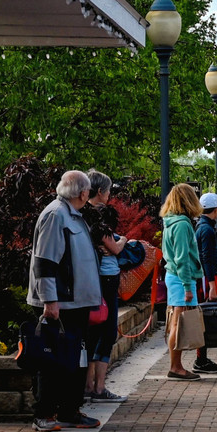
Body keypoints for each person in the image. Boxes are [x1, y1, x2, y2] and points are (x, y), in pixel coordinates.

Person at [25, 171, 103, 431]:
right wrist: (49, 301)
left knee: (75, 360)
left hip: (75, 303)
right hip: (60, 304)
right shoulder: (55, 215)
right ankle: (44, 413)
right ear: (82, 193)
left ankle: (70, 410)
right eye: (88, 191)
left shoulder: (71, 215)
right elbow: (44, 262)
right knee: (52, 361)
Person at [84, 170, 127, 403]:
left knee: (93, 332)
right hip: (106, 278)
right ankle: (98, 387)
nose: (110, 195)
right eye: (109, 190)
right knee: (107, 331)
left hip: (93, 277)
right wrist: (123, 240)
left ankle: (89, 384)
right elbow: (115, 248)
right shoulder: (99, 216)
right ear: (99, 191)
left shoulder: (81, 214)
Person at [161, 184, 205, 380]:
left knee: (176, 323)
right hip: (181, 279)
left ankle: (176, 365)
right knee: (179, 323)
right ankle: (175, 366)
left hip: (174, 276)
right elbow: (182, 258)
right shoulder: (182, 225)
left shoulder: (170, 222)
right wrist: (188, 286)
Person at [192, 193, 217, 374]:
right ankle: (201, 359)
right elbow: (208, 257)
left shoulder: (200, 226)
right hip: (205, 278)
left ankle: (202, 357)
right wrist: (212, 283)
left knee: (203, 317)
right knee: (204, 318)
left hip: (202, 277)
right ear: (216, 210)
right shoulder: (207, 230)